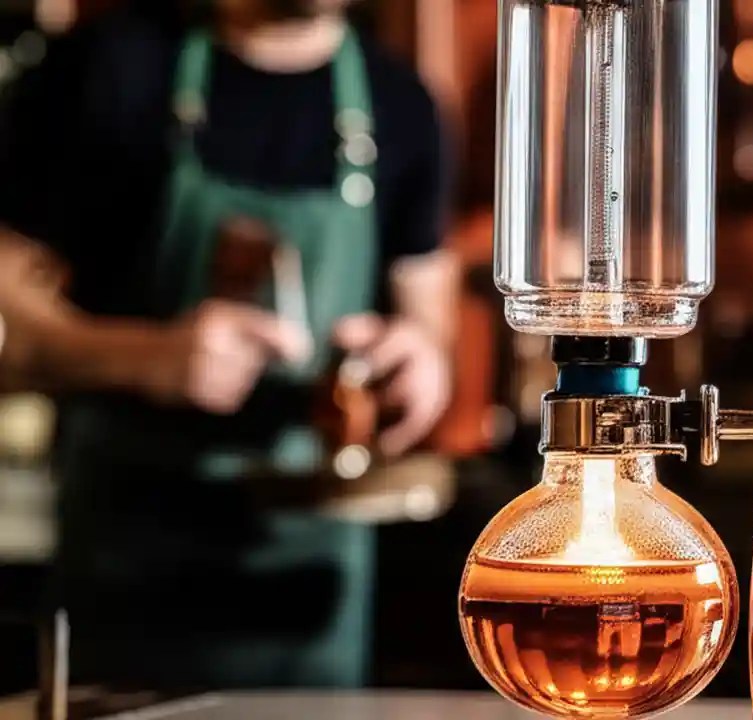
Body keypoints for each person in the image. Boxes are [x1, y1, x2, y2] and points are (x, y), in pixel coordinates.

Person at [0, 0, 455, 689]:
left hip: (308, 592)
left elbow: (431, 322)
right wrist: (145, 357)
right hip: (130, 568)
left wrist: (418, 360)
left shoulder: (402, 103)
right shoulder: (111, 68)